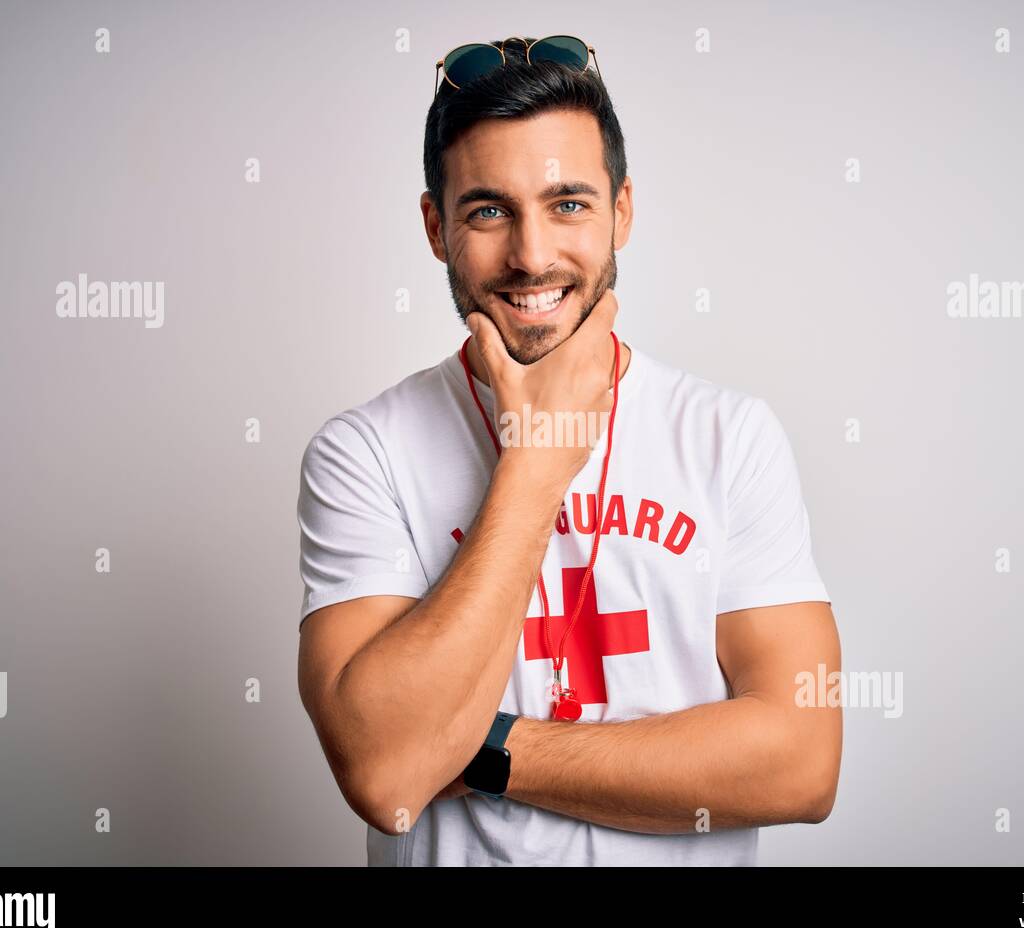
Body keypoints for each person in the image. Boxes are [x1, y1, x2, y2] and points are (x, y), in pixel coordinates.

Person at [296, 35, 842, 866]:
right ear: (436, 227)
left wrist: (482, 750)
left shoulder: (730, 436)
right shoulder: (362, 453)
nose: (532, 255)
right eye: (488, 210)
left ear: (622, 209)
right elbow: (387, 775)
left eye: (568, 204)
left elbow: (803, 764)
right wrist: (535, 462)